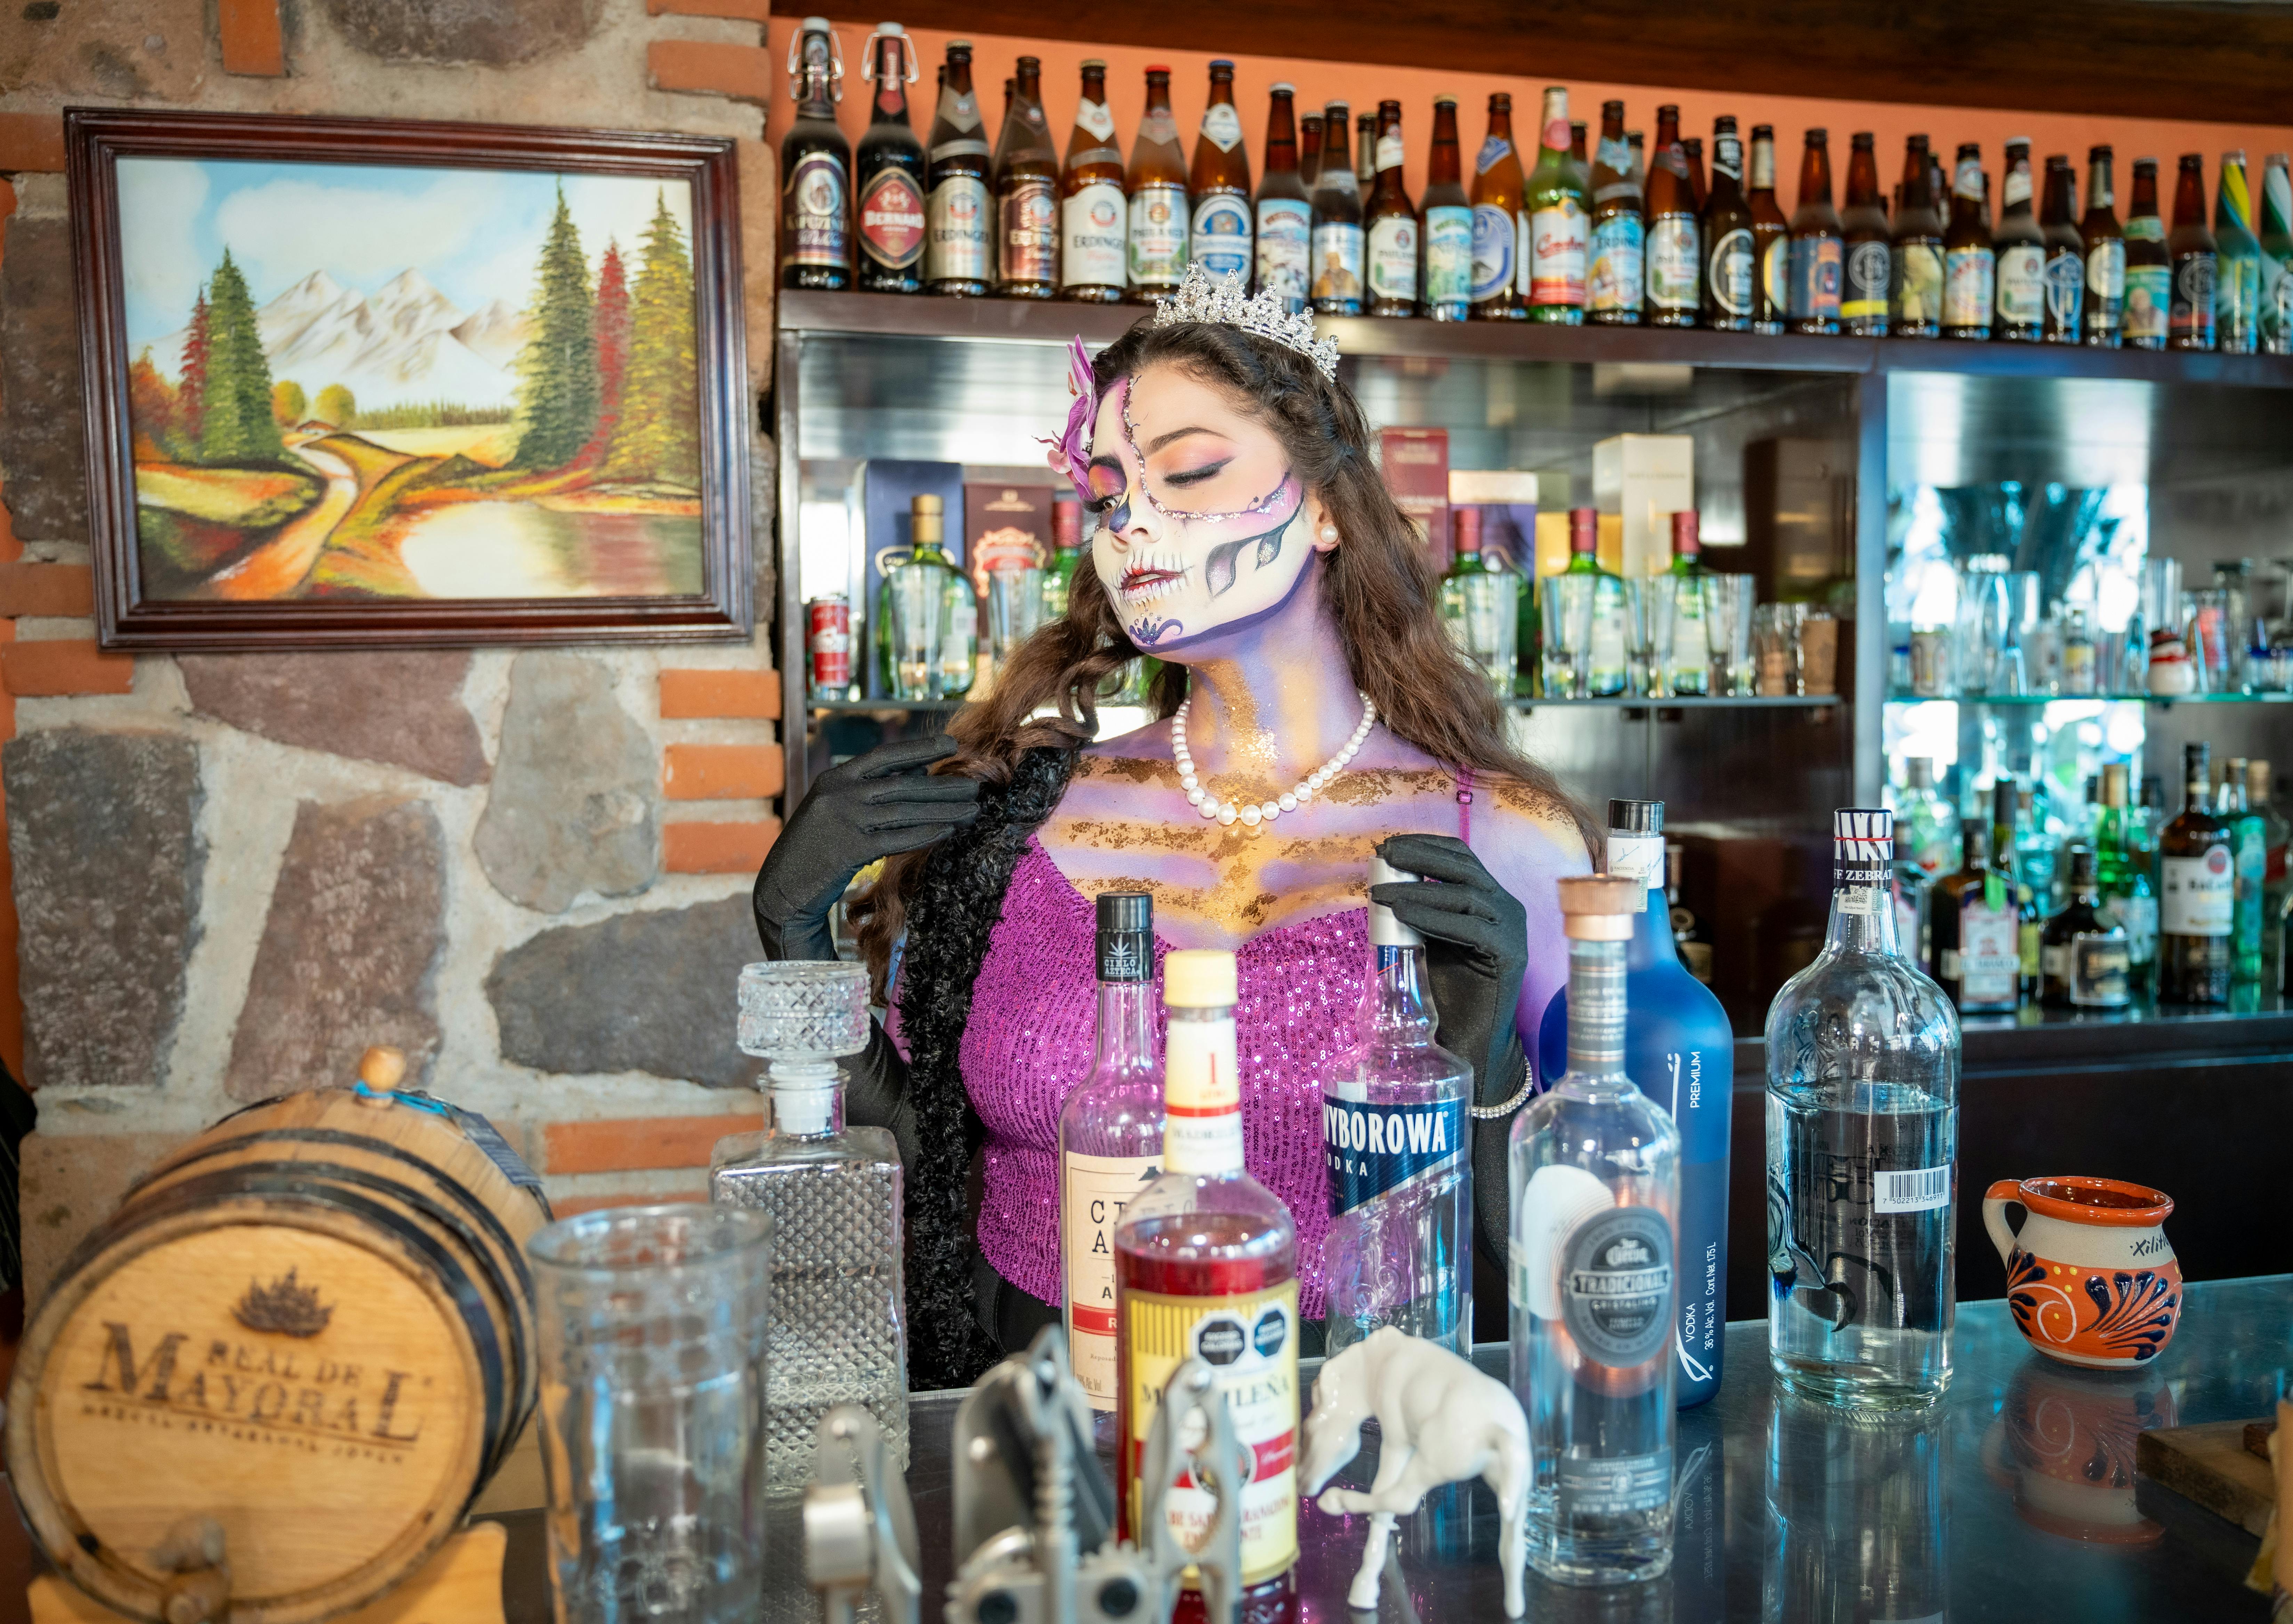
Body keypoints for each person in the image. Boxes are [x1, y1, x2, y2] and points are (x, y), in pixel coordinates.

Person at [754, 265, 1594, 1389]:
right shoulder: (1025, 813)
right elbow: (910, 1136)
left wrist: (1483, 1075)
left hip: (1345, 1436)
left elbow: (1585, 1274)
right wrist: (791, 932)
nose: (1134, 527)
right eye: (1108, 499)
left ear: (1332, 508)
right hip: (1039, 1429)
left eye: (1191, 475)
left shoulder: (1505, 836)